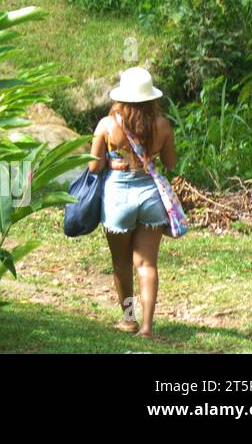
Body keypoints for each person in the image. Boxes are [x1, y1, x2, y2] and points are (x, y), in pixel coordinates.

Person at [87, 66, 178, 338]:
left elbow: (93, 167)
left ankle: (129, 320)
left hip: (118, 196)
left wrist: (113, 159)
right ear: (151, 97)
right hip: (150, 195)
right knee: (147, 264)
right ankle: (148, 326)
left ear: (122, 96)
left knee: (121, 263)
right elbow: (171, 164)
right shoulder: (162, 125)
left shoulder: (107, 125)